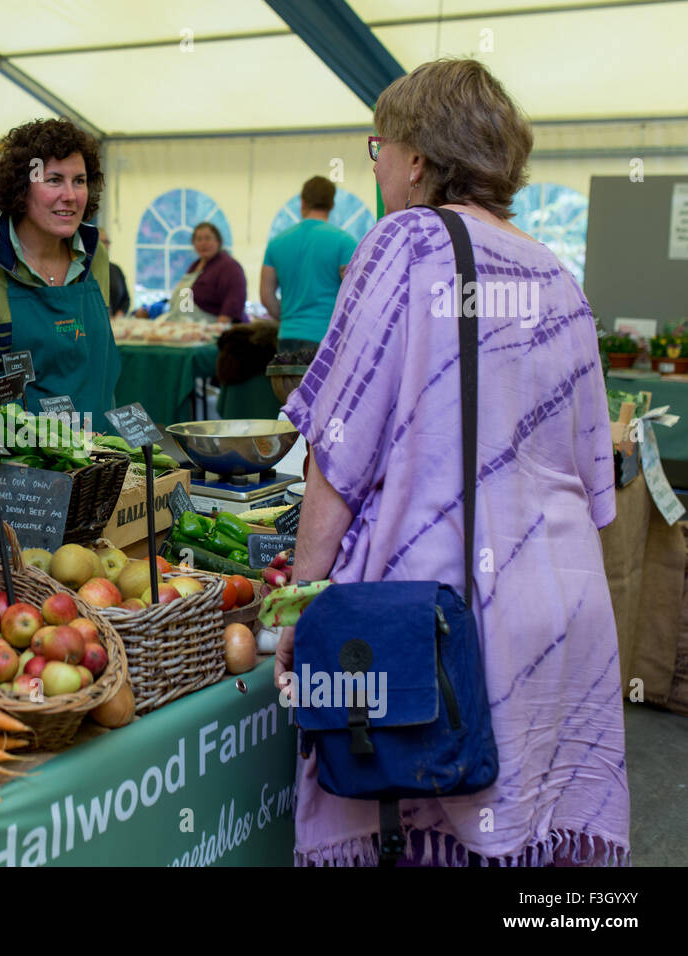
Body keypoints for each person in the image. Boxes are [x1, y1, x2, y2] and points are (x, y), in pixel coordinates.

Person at [275, 58, 628, 866]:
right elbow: (591, 475)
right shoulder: (555, 272)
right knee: (531, 837)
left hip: (443, 614)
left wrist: (300, 603)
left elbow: (337, 454)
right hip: (563, 613)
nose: (374, 166)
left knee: (418, 830)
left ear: (419, 161)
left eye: (379, 146)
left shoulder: (405, 244)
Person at [0, 118, 119, 428]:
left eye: (80, 180)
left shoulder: (95, 257)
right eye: (54, 180)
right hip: (18, 465)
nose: (71, 195)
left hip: (102, 460)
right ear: (21, 188)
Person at [260, 176, 358, 353]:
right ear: (331, 204)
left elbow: (266, 295)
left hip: (287, 338)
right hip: (328, 338)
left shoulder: (276, 243)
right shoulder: (345, 242)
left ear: (303, 203)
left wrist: (289, 319)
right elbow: (354, 294)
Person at [134, 222, 246, 324]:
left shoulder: (229, 266)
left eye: (208, 238)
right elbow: (185, 300)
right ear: (193, 244)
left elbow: (233, 302)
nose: (203, 243)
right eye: (199, 239)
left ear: (218, 241)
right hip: (186, 325)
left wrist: (218, 329)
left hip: (210, 328)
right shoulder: (194, 266)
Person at [100, 229, 131, 317]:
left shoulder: (116, 269)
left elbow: (126, 299)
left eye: (107, 242)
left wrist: (119, 315)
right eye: (101, 242)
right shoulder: (85, 270)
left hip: (115, 323)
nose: (105, 245)